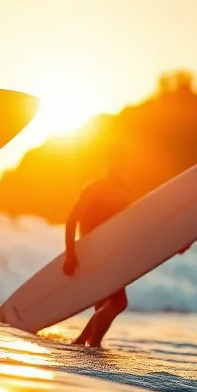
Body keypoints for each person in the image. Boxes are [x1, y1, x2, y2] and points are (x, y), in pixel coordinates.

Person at [63, 138, 135, 347]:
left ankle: (81, 343)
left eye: (124, 159)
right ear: (109, 161)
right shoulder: (96, 188)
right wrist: (70, 254)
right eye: (118, 159)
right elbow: (71, 219)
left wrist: (177, 244)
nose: (122, 163)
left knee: (105, 303)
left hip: (112, 254)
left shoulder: (125, 191)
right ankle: (93, 344)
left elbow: (134, 227)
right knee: (118, 302)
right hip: (96, 253)